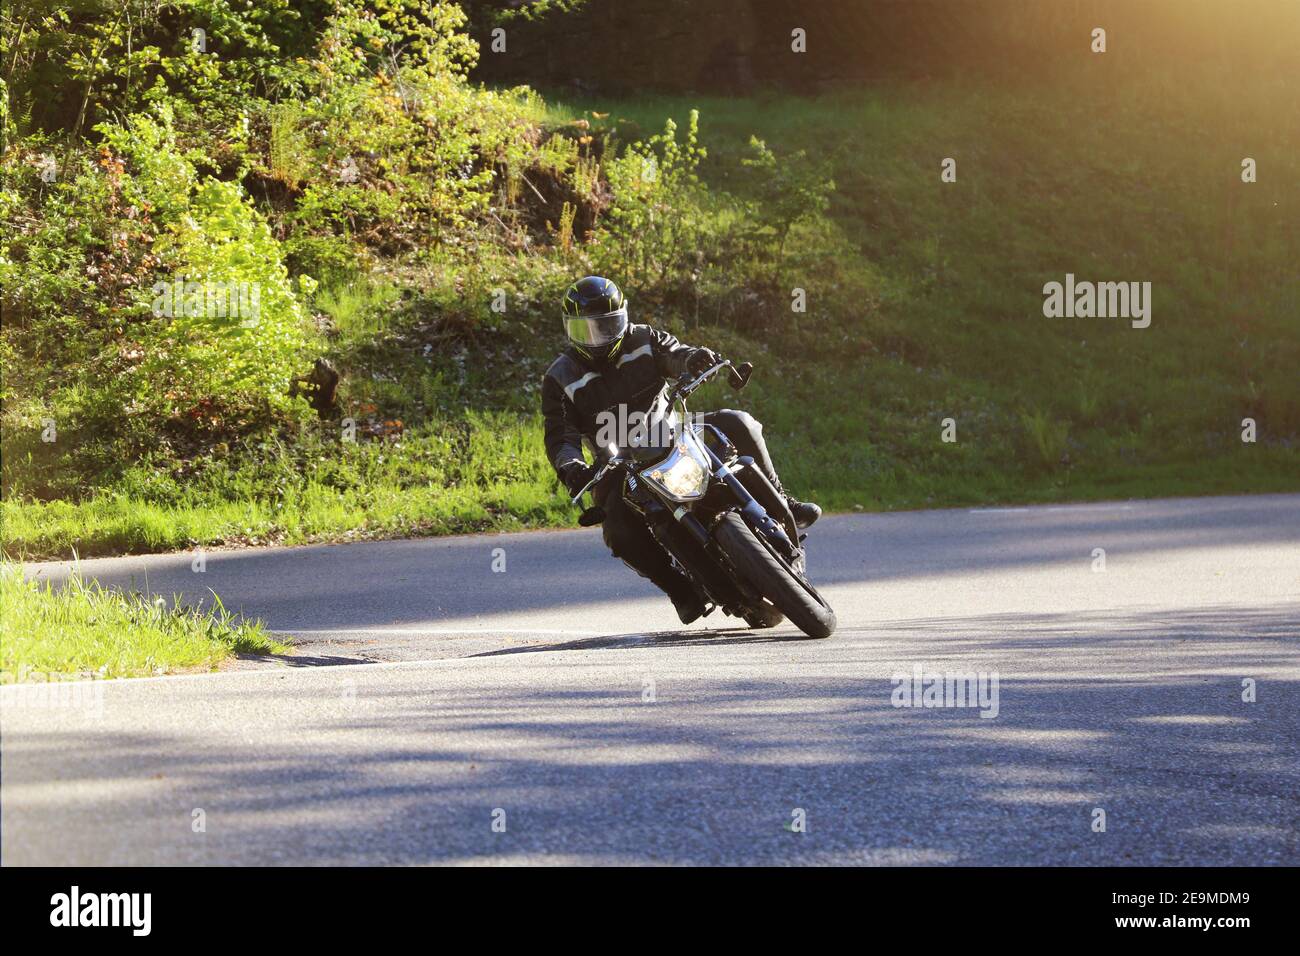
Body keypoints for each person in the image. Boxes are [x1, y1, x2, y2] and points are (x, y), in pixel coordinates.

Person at [541, 276, 820, 623]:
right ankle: (681, 590)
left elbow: (675, 353)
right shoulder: (560, 377)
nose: (598, 338)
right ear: (570, 330)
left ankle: (783, 501)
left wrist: (694, 359)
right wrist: (572, 467)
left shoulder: (644, 338)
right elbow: (560, 436)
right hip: (617, 462)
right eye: (588, 331)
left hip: (672, 430)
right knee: (618, 530)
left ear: (623, 318)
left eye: (608, 326)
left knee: (738, 422)